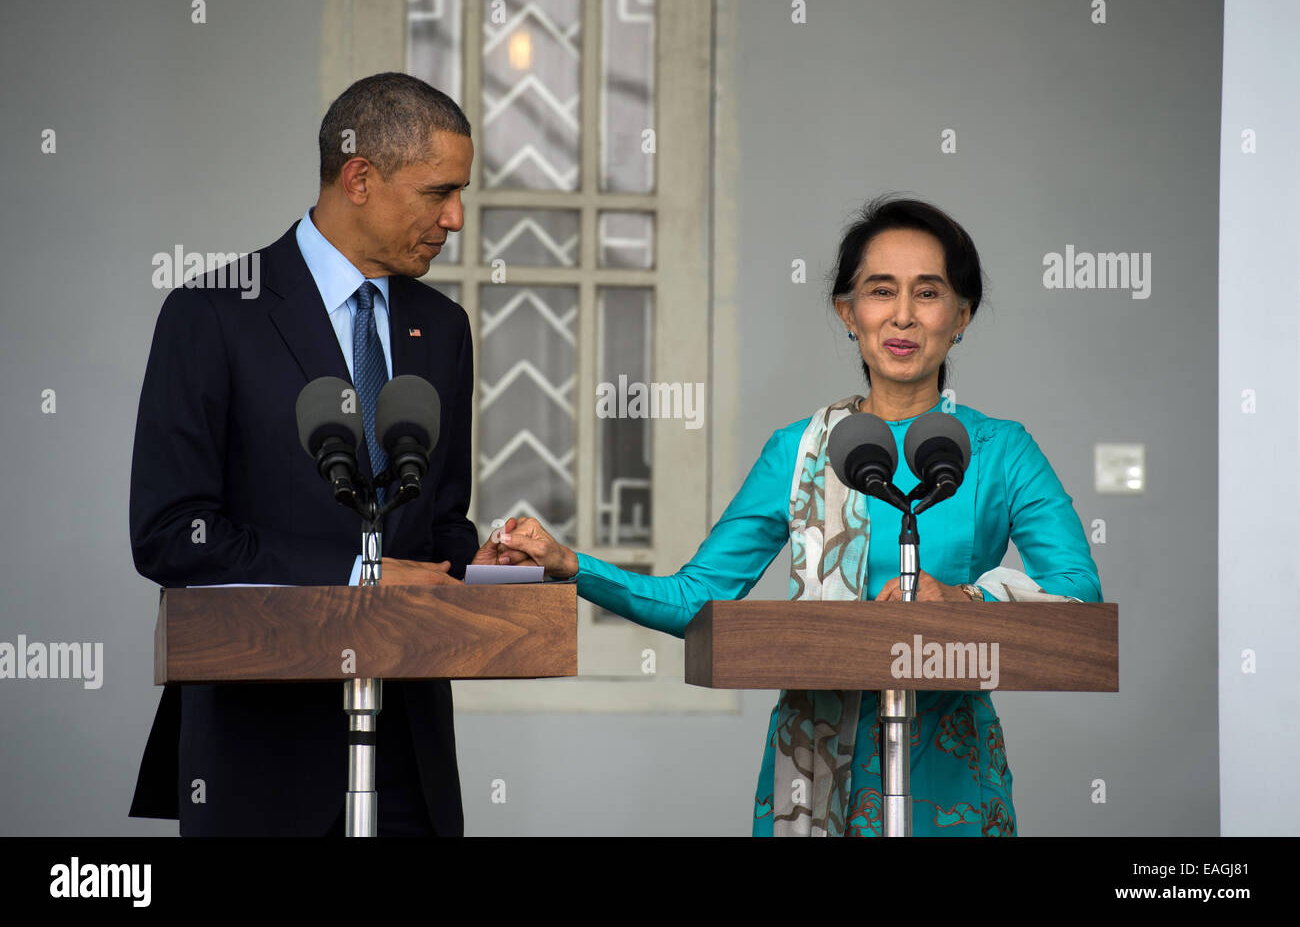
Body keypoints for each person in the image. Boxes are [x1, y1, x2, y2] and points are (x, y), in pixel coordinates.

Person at [484, 195, 1104, 836]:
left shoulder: (1001, 451)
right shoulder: (799, 452)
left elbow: (1078, 593)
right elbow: (695, 599)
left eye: (928, 293)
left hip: (950, 777)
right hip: (814, 776)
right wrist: (567, 564)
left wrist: (965, 602)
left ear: (961, 315)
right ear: (848, 312)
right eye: (879, 291)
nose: (901, 316)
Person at [128, 73, 480, 836]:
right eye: (439, 191)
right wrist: (361, 576)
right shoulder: (212, 315)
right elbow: (170, 532)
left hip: (410, 762)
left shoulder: (444, 328)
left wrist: (489, 565)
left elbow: (441, 518)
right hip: (262, 756)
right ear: (359, 177)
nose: (455, 218)